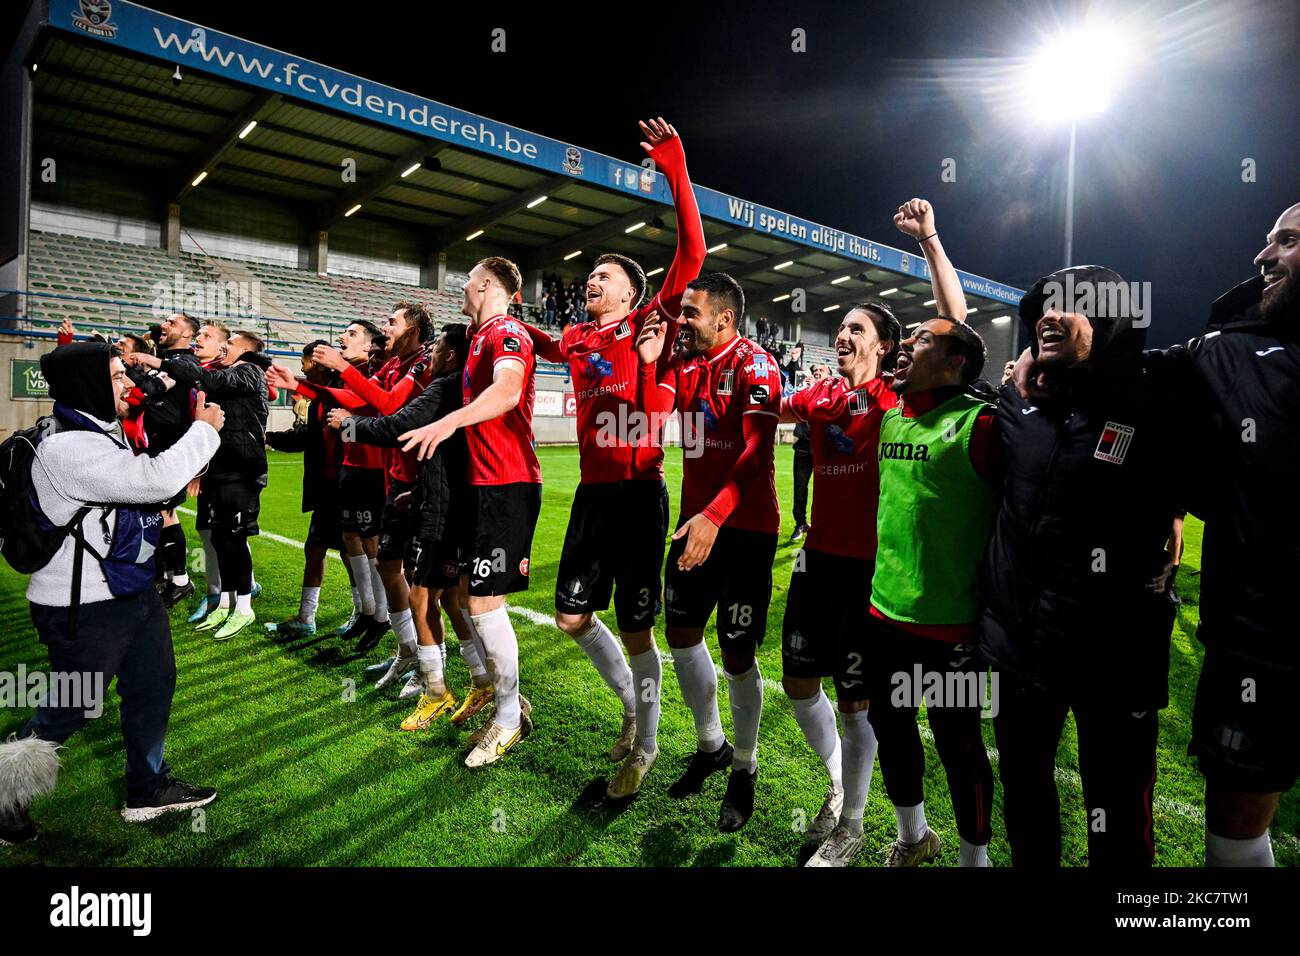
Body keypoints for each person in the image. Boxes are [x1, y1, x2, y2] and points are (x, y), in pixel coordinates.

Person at [980, 265, 1196, 868]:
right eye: (1042, 307)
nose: (1047, 315)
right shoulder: (1019, 403)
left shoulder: (1152, 401)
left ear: (1108, 318)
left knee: (1120, 817)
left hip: (1114, 661)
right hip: (1019, 652)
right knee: (1024, 797)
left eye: (1067, 306)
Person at [517, 117, 706, 798]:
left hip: (638, 494)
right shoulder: (573, 339)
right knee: (571, 617)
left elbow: (693, 249)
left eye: (602, 275)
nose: (590, 281)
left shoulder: (648, 320)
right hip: (593, 497)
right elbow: (536, 345)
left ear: (630, 291)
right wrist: (505, 320)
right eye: (589, 276)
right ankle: (633, 704)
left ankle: (647, 745)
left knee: (636, 626)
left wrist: (674, 167)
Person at [781, 194, 968, 867]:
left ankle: (852, 823)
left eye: (858, 326)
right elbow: (768, 404)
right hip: (815, 562)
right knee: (801, 684)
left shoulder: (897, 393)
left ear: (886, 345)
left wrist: (930, 242)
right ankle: (837, 779)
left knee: (859, 703)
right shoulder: (824, 394)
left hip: (870, 574)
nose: (844, 334)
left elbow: (953, 319)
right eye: (842, 326)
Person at [0, 341, 223, 844]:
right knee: (71, 707)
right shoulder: (67, 446)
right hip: (83, 605)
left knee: (152, 686)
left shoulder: (96, 430)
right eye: (118, 375)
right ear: (89, 384)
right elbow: (152, 480)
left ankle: (148, 788)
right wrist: (205, 429)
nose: (128, 384)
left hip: (128, 591)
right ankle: (4, 796)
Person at [635, 272, 783, 831]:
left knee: (738, 652)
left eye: (690, 313)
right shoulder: (684, 363)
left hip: (743, 529)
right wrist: (651, 360)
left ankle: (744, 766)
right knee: (681, 633)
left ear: (724, 318)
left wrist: (714, 516)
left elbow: (755, 449)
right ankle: (711, 744)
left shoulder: (757, 366)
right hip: (692, 523)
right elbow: (648, 413)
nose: (681, 322)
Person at [1177, 203, 1300, 866]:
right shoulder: (1232, 351)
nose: (1262, 257)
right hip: (1259, 647)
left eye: (1287, 240)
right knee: (1236, 820)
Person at [399, 257, 542, 769]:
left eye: (467, 280)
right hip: (481, 486)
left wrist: (447, 424)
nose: (462, 287)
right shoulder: (482, 336)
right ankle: (501, 703)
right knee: (467, 597)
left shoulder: (505, 332)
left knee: (482, 606)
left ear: (485, 284)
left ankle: (508, 718)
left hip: (508, 484)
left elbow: (506, 391)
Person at [866, 315, 998, 867]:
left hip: (954, 629)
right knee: (890, 729)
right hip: (884, 615)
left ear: (955, 363)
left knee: (960, 747)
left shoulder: (982, 425)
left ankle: (975, 860)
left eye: (923, 339)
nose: (905, 347)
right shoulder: (893, 418)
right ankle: (913, 835)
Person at [343, 325, 494, 730]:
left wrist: (347, 425)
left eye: (439, 345)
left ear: (449, 355)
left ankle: (438, 690)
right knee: (449, 598)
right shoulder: (461, 389)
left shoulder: (444, 388)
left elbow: (397, 425)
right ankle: (479, 681)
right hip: (443, 501)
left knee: (423, 595)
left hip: (444, 510)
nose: (432, 349)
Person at [315, 303, 436, 670]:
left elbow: (387, 406)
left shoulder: (422, 364)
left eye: (392, 322)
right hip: (397, 474)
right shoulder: (397, 364)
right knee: (387, 563)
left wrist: (340, 368)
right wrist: (305, 385)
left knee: (426, 581)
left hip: (423, 478)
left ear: (414, 331)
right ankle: (407, 652)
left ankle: (435, 666)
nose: (385, 328)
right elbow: (366, 399)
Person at [144, 327, 272, 641]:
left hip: (241, 471)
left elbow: (210, 380)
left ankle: (243, 607)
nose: (225, 347)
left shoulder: (251, 371)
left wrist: (166, 363)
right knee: (221, 539)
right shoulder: (233, 372)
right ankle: (226, 602)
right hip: (221, 469)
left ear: (245, 350)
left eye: (230, 344)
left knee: (233, 539)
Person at [270, 320, 390, 649]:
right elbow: (333, 398)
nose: (342, 338)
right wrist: (296, 383)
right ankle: (367, 613)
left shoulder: (375, 373)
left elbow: (374, 403)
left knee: (373, 550)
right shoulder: (347, 376)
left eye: (352, 334)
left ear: (369, 345)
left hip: (370, 472)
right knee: (353, 544)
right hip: (344, 473)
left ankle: (382, 617)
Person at [263, 340, 350, 638]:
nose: (302, 367)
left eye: (306, 362)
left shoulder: (344, 392)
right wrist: (270, 437)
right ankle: (306, 617)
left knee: (353, 553)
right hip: (325, 487)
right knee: (315, 549)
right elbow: (307, 438)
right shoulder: (319, 401)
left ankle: (364, 614)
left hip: (347, 487)